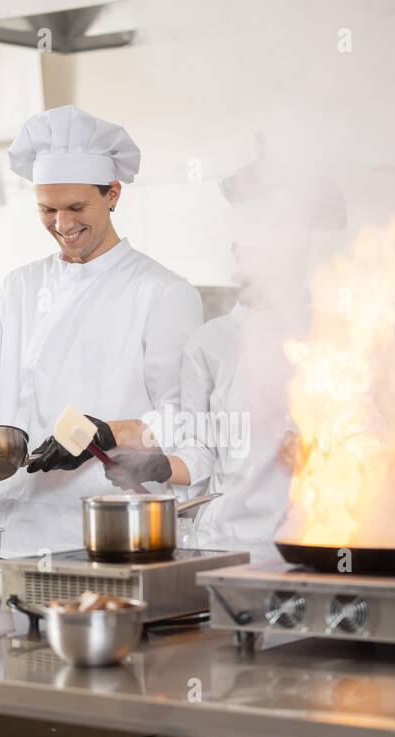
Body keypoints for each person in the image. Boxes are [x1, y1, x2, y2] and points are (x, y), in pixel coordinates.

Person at [0, 106, 202, 557]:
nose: (62, 225)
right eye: (48, 209)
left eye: (77, 207)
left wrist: (104, 432)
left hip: (108, 531)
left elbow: (183, 423)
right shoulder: (20, 285)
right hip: (16, 530)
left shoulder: (163, 293)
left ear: (113, 193)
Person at [102, 161, 346, 561]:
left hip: (318, 542)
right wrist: (157, 466)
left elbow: (372, 444)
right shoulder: (210, 343)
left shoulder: (338, 336)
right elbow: (200, 452)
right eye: (251, 252)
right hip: (228, 543)